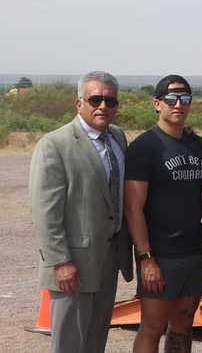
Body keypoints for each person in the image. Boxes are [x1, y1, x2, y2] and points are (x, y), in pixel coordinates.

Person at [30, 71, 133, 353]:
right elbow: (45, 212)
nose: (103, 106)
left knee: (96, 339)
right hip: (72, 265)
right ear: (79, 103)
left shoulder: (118, 138)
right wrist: (60, 261)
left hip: (108, 260)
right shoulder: (55, 144)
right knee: (69, 344)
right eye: (95, 99)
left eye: (110, 101)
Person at [124, 75, 202, 353]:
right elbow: (133, 208)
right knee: (153, 327)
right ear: (157, 104)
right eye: (171, 98)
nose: (178, 104)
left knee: (184, 324)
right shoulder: (144, 147)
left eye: (185, 98)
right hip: (159, 254)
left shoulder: (199, 145)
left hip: (193, 250)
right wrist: (146, 257)